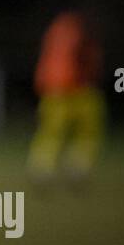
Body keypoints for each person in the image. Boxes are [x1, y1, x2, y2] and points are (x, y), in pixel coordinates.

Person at [27, 11, 104, 184]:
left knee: (50, 132)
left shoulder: (53, 31)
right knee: (87, 132)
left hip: (52, 90)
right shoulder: (81, 33)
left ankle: (41, 168)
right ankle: (79, 167)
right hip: (79, 87)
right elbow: (87, 60)